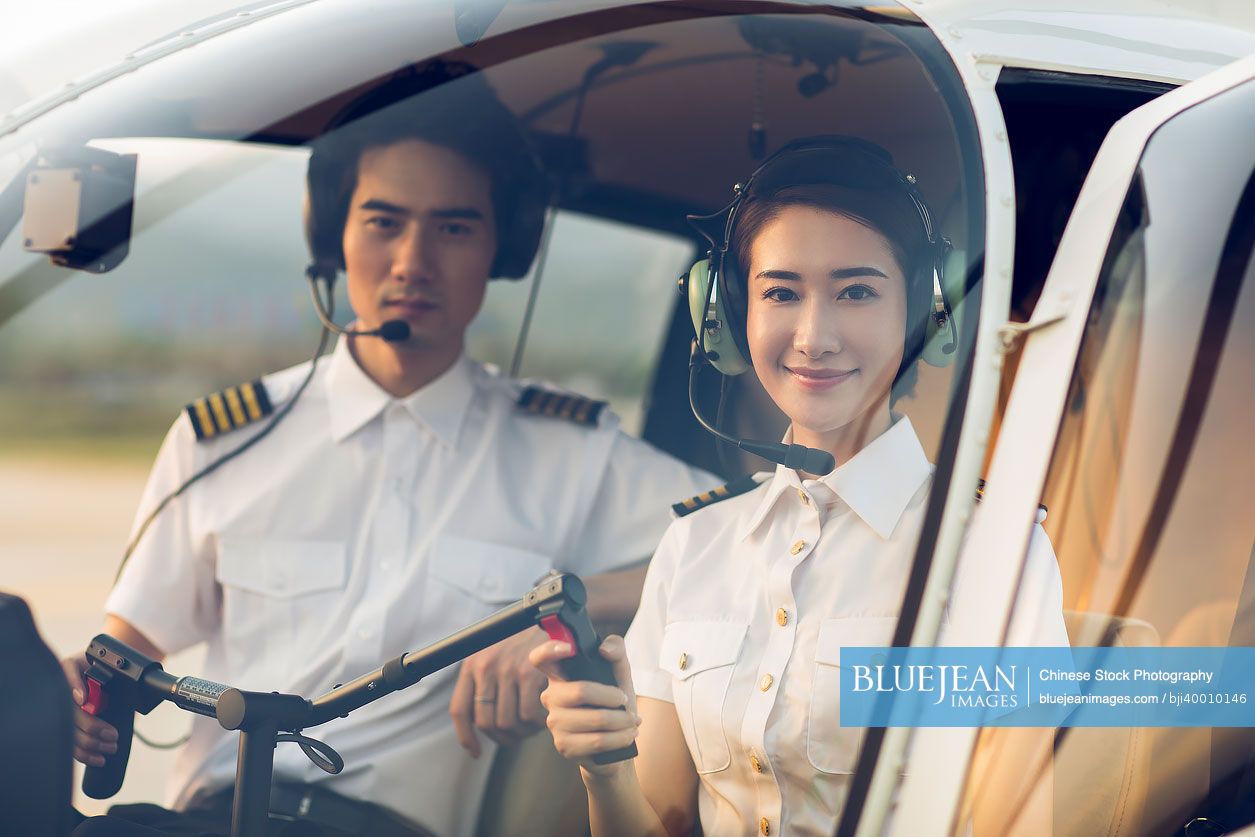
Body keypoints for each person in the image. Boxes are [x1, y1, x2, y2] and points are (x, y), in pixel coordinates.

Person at [64, 60, 716, 837]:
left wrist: (557, 607)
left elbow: (739, 532)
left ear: (503, 249)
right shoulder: (222, 438)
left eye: (452, 226)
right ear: (331, 234)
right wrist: (77, 695)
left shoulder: (572, 453)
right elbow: (125, 648)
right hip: (211, 819)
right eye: (383, 221)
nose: (412, 260)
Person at [531, 137, 1070, 836]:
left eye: (855, 292)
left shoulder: (993, 550)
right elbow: (659, 822)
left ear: (924, 315)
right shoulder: (692, 544)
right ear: (725, 316)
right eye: (780, 292)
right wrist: (604, 766)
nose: (813, 336)